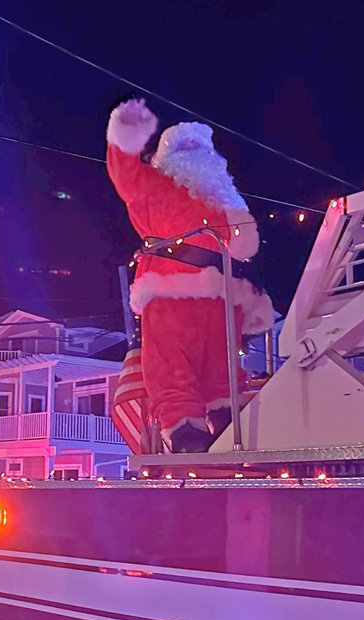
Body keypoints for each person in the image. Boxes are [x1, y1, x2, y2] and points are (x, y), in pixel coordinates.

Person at [106, 98, 273, 452]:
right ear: (168, 159)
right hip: (171, 288)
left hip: (222, 298)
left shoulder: (224, 201)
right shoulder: (154, 187)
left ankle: (226, 417)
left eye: (200, 149)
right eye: (186, 149)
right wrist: (126, 134)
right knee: (171, 364)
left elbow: (246, 250)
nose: (195, 156)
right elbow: (125, 173)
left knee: (222, 367)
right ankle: (185, 430)